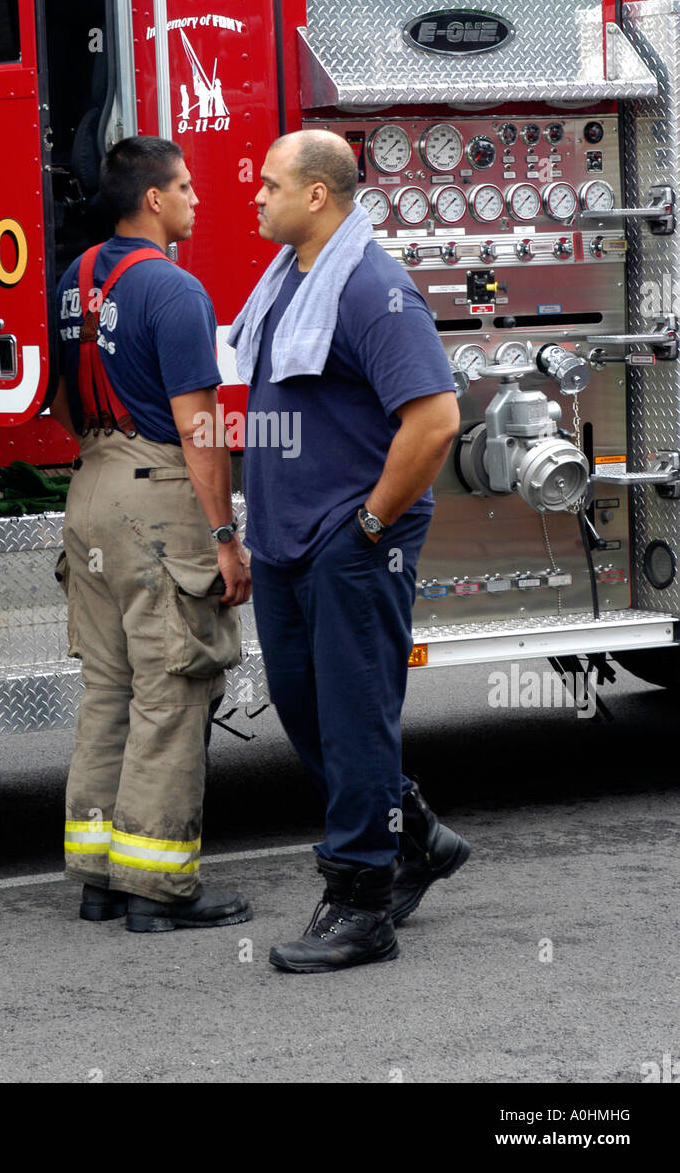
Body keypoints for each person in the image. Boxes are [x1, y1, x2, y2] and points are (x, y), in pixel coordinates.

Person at [228, 129, 469, 973]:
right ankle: (415, 835)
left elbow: (435, 421)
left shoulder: (371, 286)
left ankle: (362, 905)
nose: (255, 195)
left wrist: (368, 528)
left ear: (317, 195)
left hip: (350, 541)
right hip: (287, 540)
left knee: (355, 718)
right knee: (308, 714)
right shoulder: (286, 279)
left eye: (268, 184)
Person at [50, 135, 252, 933]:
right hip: (157, 493)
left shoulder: (76, 279)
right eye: (187, 187)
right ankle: (158, 889)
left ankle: (99, 877)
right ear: (154, 201)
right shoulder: (174, 290)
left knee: (109, 688)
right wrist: (225, 535)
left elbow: (60, 402)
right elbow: (198, 427)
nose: (198, 200)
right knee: (173, 688)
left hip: (90, 482)